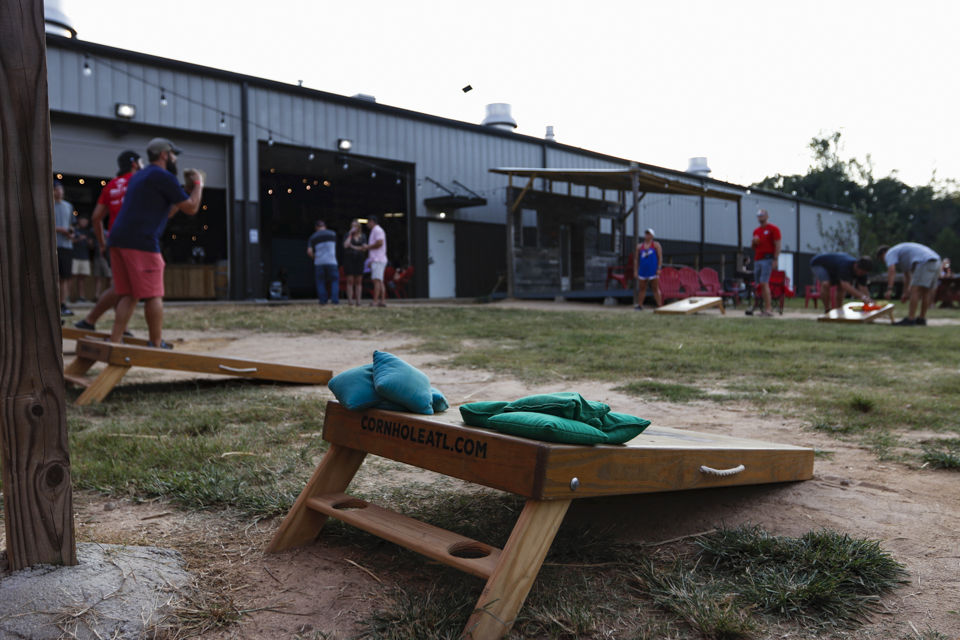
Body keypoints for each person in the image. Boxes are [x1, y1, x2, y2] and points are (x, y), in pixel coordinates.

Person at [106, 138, 203, 347]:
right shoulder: (164, 176)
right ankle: (156, 344)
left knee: (128, 294)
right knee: (153, 294)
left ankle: (114, 341)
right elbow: (192, 208)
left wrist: (185, 192)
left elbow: (168, 212)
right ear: (164, 155)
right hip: (141, 241)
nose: (175, 159)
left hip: (117, 239)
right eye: (174, 155)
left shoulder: (140, 176)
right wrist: (198, 184)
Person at [75, 150, 141, 332]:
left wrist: (102, 243)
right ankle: (95, 322)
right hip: (134, 241)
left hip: (114, 240)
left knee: (121, 285)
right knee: (127, 287)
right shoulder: (138, 181)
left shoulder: (111, 185)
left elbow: (96, 218)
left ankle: (110, 326)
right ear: (134, 163)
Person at [876, 242, 940, 326]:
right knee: (926, 292)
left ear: (883, 253)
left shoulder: (890, 253)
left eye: (882, 259)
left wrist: (889, 289)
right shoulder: (902, 256)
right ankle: (921, 318)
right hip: (936, 261)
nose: (884, 262)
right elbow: (907, 276)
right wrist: (905, 293)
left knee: (915, 290)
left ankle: (910, 319)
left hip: (924, 261)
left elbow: (891, 271)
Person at [809, 253, 874, 311]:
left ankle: (839, 309)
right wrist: (862, 297)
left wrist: (868, 301)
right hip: (819, 263)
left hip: (835, 268)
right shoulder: (845, 266)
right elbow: (845, 285)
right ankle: (827, 310)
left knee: (841, 287)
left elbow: (863, 287)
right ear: (856, 266)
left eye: (864, 273)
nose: (861, 274)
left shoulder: (863, 272)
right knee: (826, 284)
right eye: (861, 272)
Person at [747, 209, 781, 317]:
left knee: (764, 283)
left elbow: (777, 244)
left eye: (762, 215)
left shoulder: (773, 229)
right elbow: (753, 247)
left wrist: (775, 259)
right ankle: (760, 307)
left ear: (767, 216)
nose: (760, 217)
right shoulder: (756, 231)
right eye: (758, 216)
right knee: (758, 284)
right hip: (758, 259)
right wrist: (754, 242)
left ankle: (768, 309)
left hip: (768, 259)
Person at [53, 180, 75, 315]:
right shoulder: (49, 205)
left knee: (65, 277)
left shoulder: (68, 206)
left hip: (67, 245)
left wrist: (71, 232)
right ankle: (53, 304)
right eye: (56, 189)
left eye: (60, 189)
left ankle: (63, 304)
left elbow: (71, 224)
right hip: (53, 245)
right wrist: (60, 229)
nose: (59, 191)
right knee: (53, 276)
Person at [307, 220, 339, 305]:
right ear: (325, 226)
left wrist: (315, 258)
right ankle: (334, 300)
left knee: (320, 281)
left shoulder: (313, 236)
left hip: (319, 262)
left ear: (316, 227)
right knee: (334, 281)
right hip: (332, 261)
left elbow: (309, 252)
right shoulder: (332, 234)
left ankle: (323, 301)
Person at [633, 228, 662, 310]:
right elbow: (636, 260)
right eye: (646, 234)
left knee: (655, 288)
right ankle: (640, 305)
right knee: (642, 288)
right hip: (643, 270)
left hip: (653, 270)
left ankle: (659, 305)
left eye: (649, 234)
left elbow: (660, 257)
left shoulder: (656, 245)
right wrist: (635, 271)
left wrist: (659, 268)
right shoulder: (639, 246)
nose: (647, 235)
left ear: (652, 236)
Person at [364, 214, 388, 307]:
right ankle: (382, 301)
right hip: (377, 259)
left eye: (368, 222)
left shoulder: (377, 230)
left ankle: (375, 301)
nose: (367, 225)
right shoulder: (375, 230)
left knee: (376, 280)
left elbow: (380, 243)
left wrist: (368, 247)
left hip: (378, 259)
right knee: (379, 281)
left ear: (372, 222)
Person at [70, 216, 95, 302]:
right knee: (71, 278)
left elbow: (92, 247)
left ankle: (81, 297)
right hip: (74, 257)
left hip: (85, 257)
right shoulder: (74, 230)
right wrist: (78, 239)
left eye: (86, 220)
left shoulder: (89, 232)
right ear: (79, 220)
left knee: (82, 279)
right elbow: (69, 241)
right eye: (83, 220)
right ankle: (67, 297)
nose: (84, 222)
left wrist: (89, 242)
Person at [342, 218, 367, 306]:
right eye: (352, 226)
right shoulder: (347, 235)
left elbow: (364, 248)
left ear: (359, 227)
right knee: (350, 280)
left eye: (355, 226)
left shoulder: (363, 236)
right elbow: (345, 245)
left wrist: (352, 246)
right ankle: (350, 301)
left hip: (359, 259)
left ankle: (358, 301)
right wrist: (350, 235)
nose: (354, 228)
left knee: (358, 281)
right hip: (349, 259)